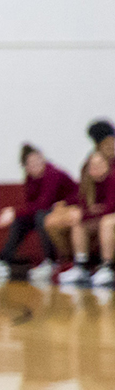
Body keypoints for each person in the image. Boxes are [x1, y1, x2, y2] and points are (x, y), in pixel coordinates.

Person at [0, 145, 79, 281]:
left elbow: (43, 204)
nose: (37, 165)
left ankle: (51, 261)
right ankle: (3, 260)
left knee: (41, 217)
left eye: (39, 160)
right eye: (32, 163)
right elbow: (32, 205)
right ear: (25, 166)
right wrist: (17, 214)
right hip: (50, 211)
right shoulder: (31, 178)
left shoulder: (52, 174)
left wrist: (14, 211)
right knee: (21, 221)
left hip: (67, 210)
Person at [59, 120, 115, 287]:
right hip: (101, 214)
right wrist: (90, 212)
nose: (95, 168)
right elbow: (83, 204)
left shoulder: (112, 178)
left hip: (108, 216)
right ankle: (81, 265)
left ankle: (107, 266)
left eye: (100, 165)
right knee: (78, 221)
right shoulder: (88, 180)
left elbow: (111, 206)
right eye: (93, 166)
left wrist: (94, 212)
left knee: (106, 222)